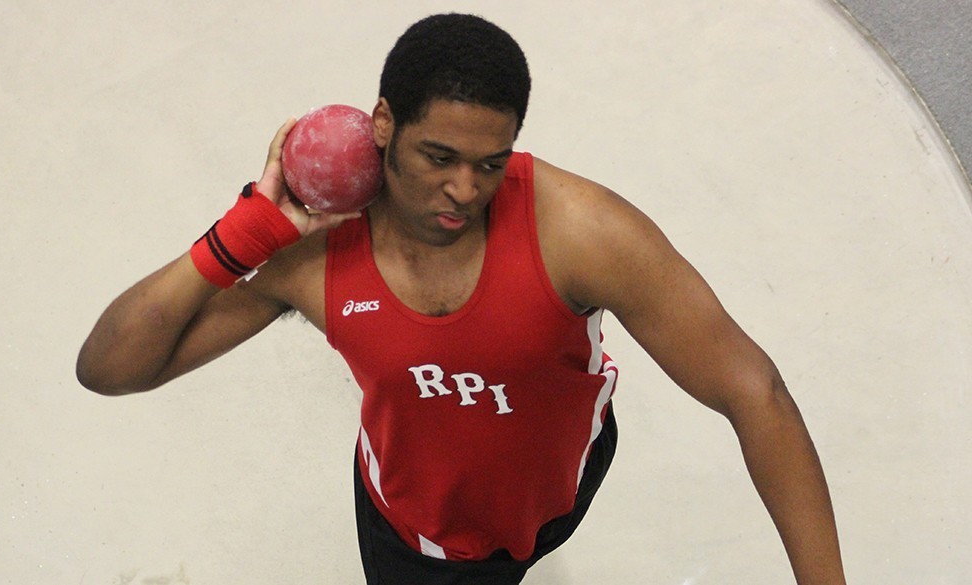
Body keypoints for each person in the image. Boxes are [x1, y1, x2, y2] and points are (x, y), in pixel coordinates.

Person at [76, 13, 847, 585]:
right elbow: (109, 367)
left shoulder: (581, 231)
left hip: (562, 483)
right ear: (383, 123)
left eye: (489, 163)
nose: (464, 190)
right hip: (417, 536)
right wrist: (245, 234)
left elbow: (757, 391)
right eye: (438, 157)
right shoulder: (312, 259)